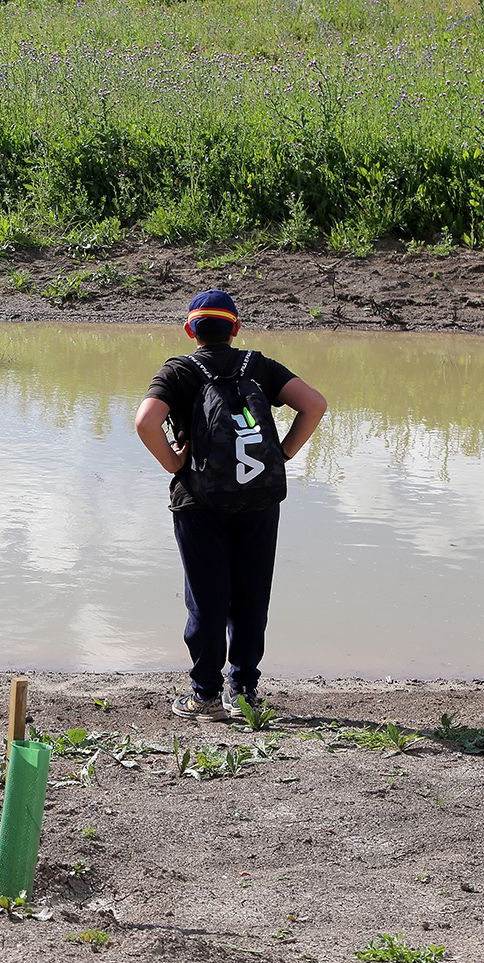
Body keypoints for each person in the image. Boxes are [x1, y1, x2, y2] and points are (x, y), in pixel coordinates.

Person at [134, 290, 327, 721]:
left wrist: (173, 462)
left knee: (206, 596)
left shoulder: (179, 371)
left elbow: (146, 421)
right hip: (259, 497)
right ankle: (244, 692)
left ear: (190, 330)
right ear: (235, 328)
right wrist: (283, 453)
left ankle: (204, 695)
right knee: (251, 594)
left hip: (198, 502)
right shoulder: (258, 366)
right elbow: (315, 405)